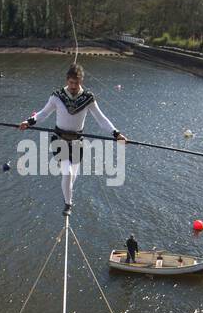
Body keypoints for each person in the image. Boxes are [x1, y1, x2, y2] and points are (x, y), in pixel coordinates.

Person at [18, 63, 127, 215]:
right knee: (67, 173)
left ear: (81, 81)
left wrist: (116, 134)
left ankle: (67, 193)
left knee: (72, 176)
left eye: (77, 83)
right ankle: (68, 204)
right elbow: (43, 114)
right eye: (71, 82)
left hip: (77, 142)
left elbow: (101, 119)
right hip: (59, 140)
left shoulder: (87, 98)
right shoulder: (57, 96)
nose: (74, 86)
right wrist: (28, 122)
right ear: (67, 80)